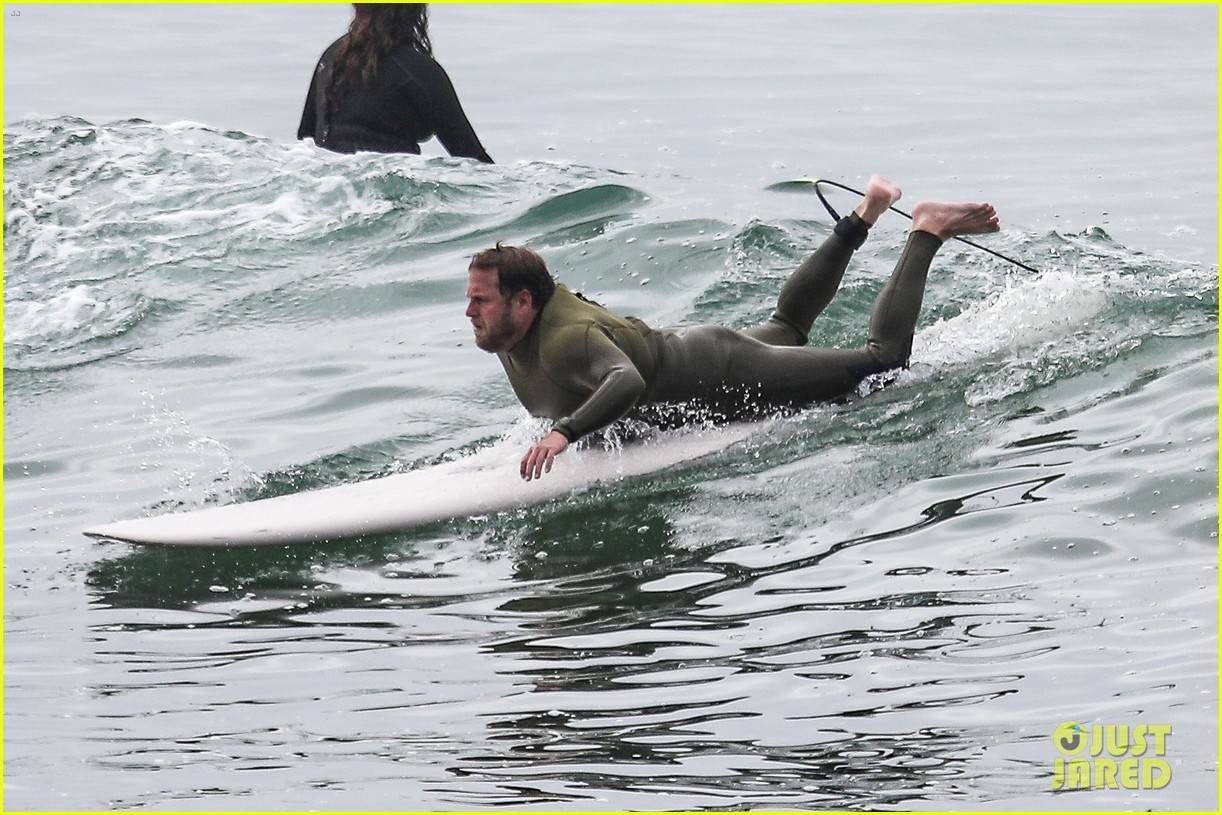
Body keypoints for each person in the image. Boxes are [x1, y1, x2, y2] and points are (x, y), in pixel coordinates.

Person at [464, 175, 1000, 480]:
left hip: (719, 371)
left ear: (525, 302)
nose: (470, 314)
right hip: (695, 349)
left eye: (481, 302)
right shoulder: (515, 334)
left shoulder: (564, 338)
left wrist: (564, 435)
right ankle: (866, 212)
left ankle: (927, 228)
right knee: (786, 326)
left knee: (884, 362)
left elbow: (623, 382)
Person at [297, 3, 493, 162]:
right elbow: (473, 161)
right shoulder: (418, 72)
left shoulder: (331, 58)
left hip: (328, 188)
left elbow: (307, 141)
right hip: (391, 193)